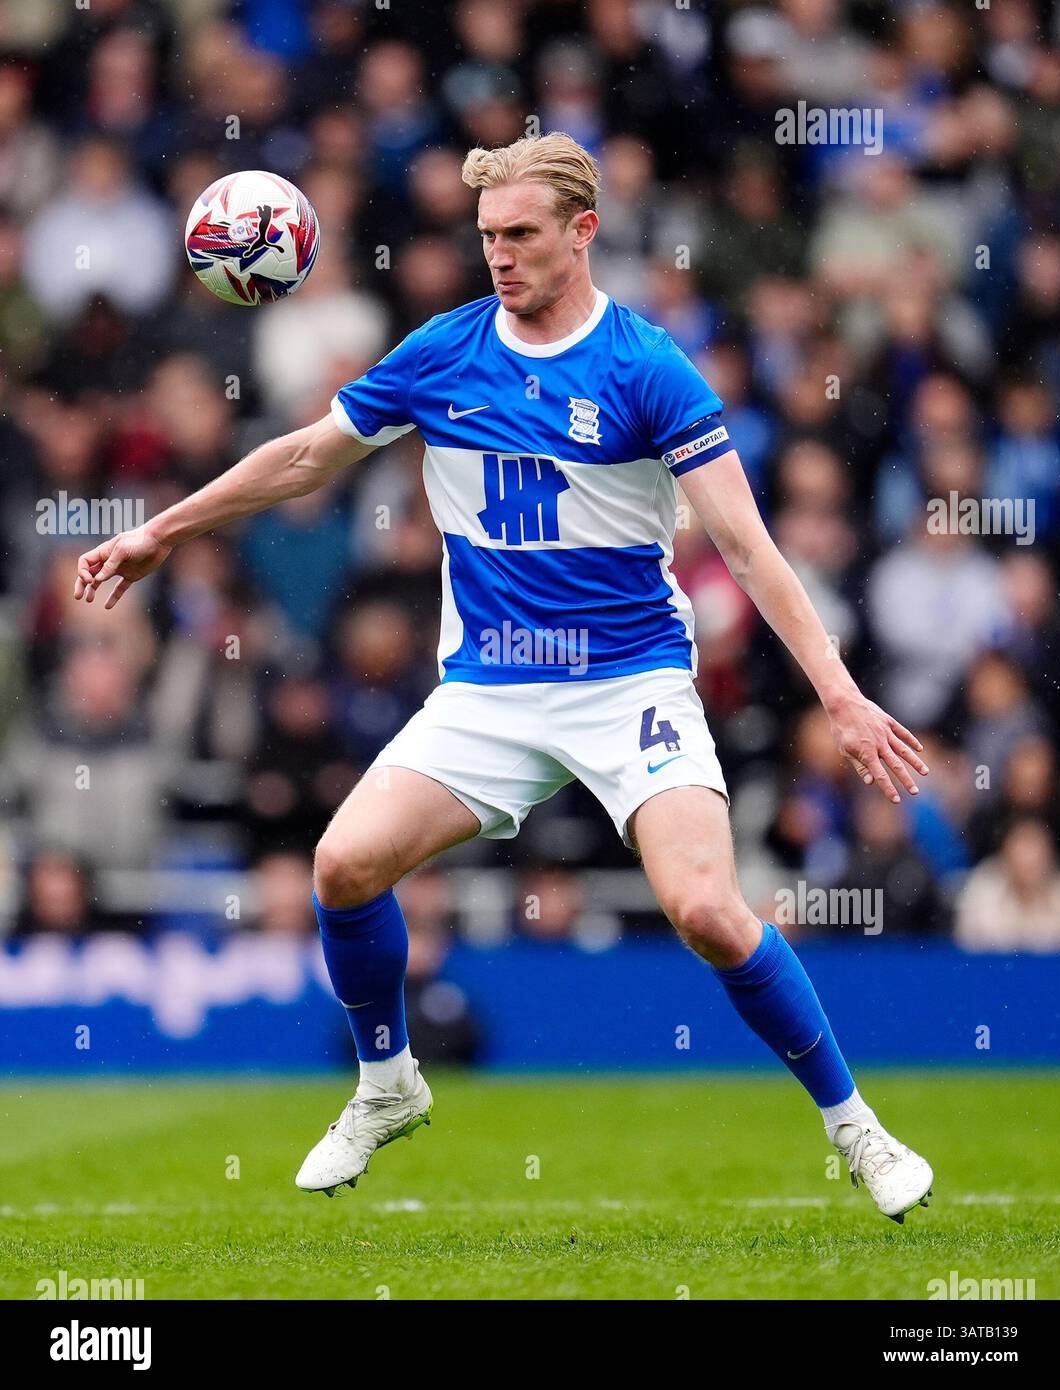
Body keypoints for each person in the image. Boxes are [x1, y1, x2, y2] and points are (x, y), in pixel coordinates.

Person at [73, 132, 933, 1223]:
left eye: (522, 235)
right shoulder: (445, 352)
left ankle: (855, 1127)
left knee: (709, 910)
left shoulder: (644, 366)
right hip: (491, 688)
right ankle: (387, 1082)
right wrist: (163, 530)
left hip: (630, 684)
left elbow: (755, 551)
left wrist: (840, 694)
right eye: (487, 238)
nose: (500, 257)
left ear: (583, 232)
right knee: (341, 866)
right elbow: (303, 456)